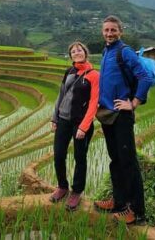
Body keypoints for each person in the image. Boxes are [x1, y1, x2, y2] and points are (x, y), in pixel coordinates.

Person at [94, 15, 153, 224]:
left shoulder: (124, 51)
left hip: (121, 115)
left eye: (113, 30)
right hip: (108, 115)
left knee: (128, 162)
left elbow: (146, 77)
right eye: (106, 30)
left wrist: (134, 102)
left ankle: (136, 212)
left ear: (120, 31)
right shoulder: (106, 51)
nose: (109, 33)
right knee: (116, 160)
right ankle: (118, 202)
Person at [49, 41, 100, 211]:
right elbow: (61, 95)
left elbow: (94, 102)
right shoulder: (69, 71)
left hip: (81, 123)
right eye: (73, 51)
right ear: (70, 55)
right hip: (63, 120)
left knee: (80, 157)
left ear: (85, 53)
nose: (76, 52)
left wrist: (84, 126)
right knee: (59, 155)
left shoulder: (93, 75)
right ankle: (62, 186)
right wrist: (54, 118)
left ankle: (76, 191)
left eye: (79, 50)